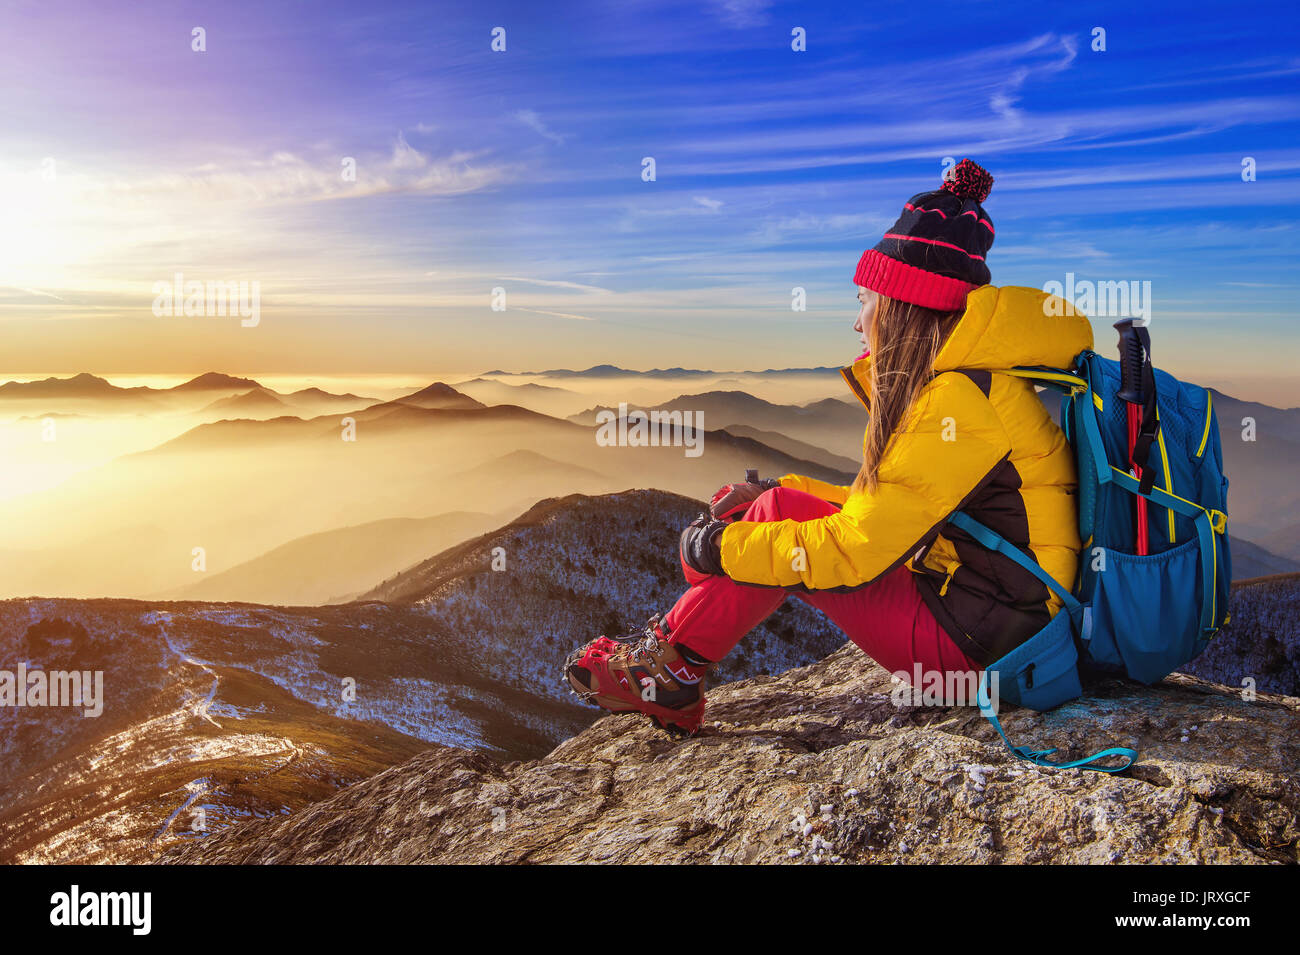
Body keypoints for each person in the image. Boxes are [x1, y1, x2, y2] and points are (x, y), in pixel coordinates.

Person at [565, 158, 1093, 735]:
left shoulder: (955, 401)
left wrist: (718, 550)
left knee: (776, 544)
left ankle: (666, 676)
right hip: (982, 611)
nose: (857, 323)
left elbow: (855, 550)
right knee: (774, 512)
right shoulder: (967, 382)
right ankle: (670, 670)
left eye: (864, 301)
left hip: (985, 650)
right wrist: (780, 493)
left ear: (899, 305)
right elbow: (894, 507)